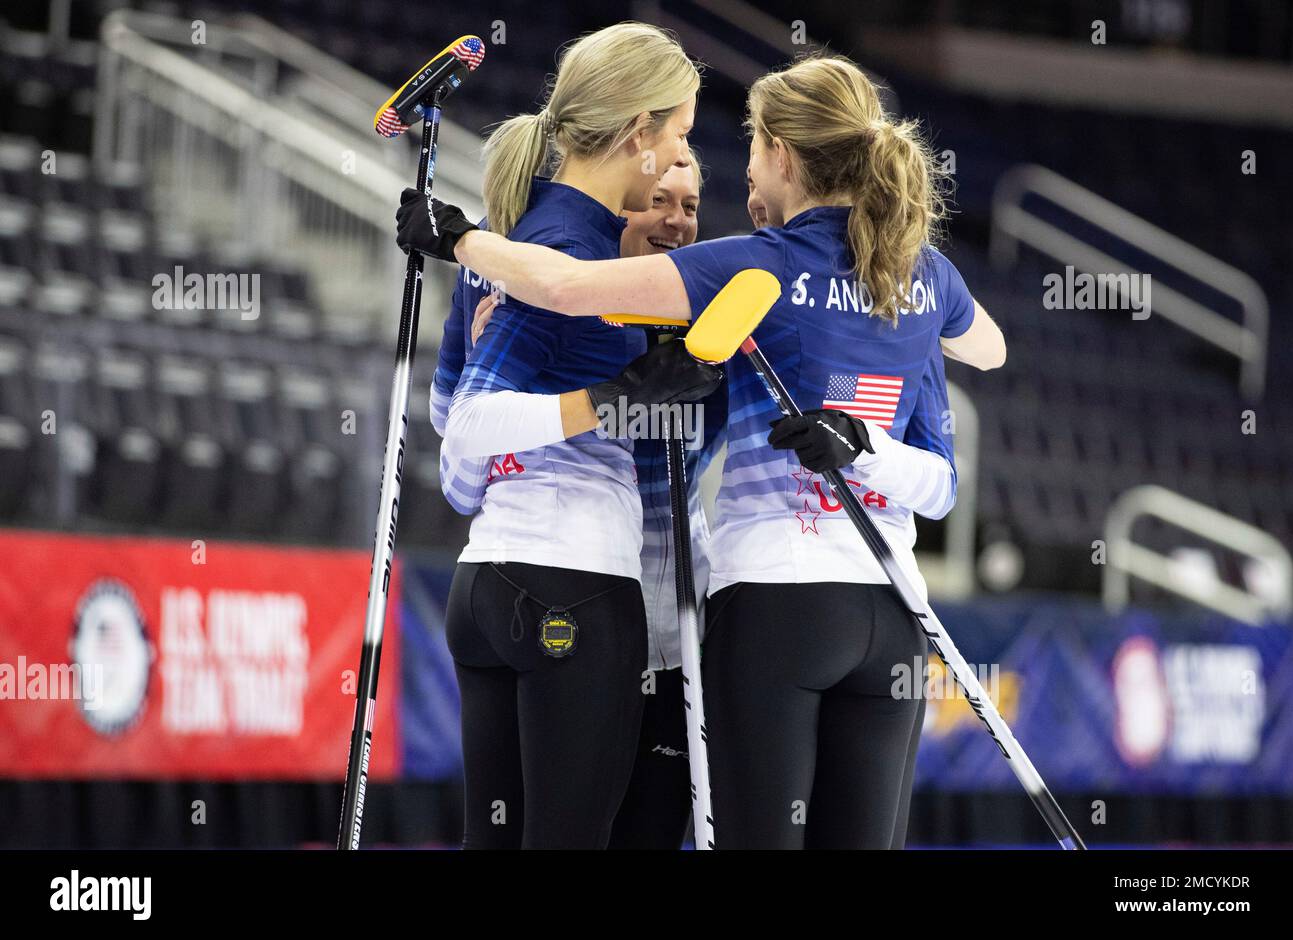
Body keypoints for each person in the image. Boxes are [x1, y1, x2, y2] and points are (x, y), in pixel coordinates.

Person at [398, 53, 1006, 848]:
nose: (723, 187)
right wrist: (870, 408)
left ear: (782, 156)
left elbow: (569, 287)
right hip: (887, 612)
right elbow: (988, 352)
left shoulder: (754, 266)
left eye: (748, 147)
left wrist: (464, 242)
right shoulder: (917, 275)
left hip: (771, 607)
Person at [405, 22, 718, 850]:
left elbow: (455, 413)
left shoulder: (527, 243)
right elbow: (468, 427)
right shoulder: (567, 247)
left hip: (493, 588)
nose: (680, 152)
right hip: (572, 588)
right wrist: (609, 398)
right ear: (638, 133)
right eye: (679, 134)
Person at [466, 156, 723, 849]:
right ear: (620, 207)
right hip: (579, 600)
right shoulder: (561, 320)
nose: (676, 219)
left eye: (691, 205)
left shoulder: (708, 332)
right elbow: (465, 462)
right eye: (659, 200)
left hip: (668, 646)